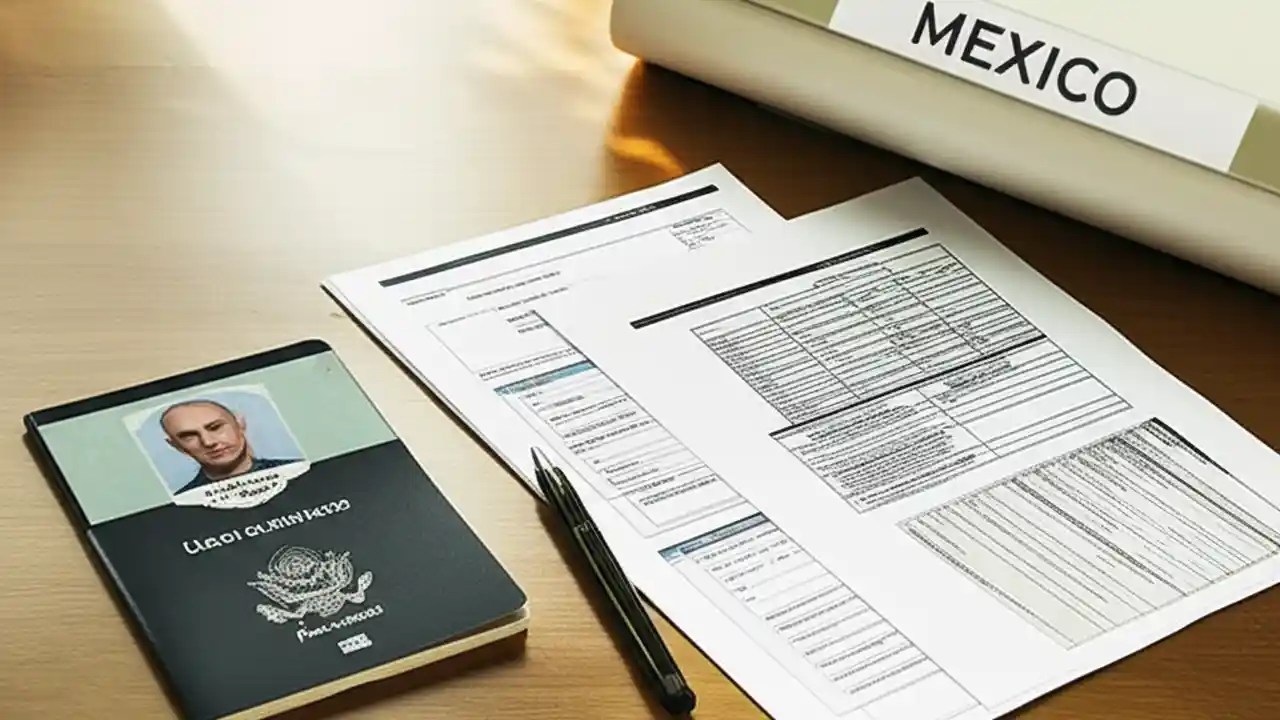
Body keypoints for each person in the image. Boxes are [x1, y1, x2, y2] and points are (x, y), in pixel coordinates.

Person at [159, 399, 299, 494]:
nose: (208, 442)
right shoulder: (184, 502)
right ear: (176, 446)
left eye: (215, 427)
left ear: (239, 424)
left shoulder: (298, 471)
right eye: (189, 436)